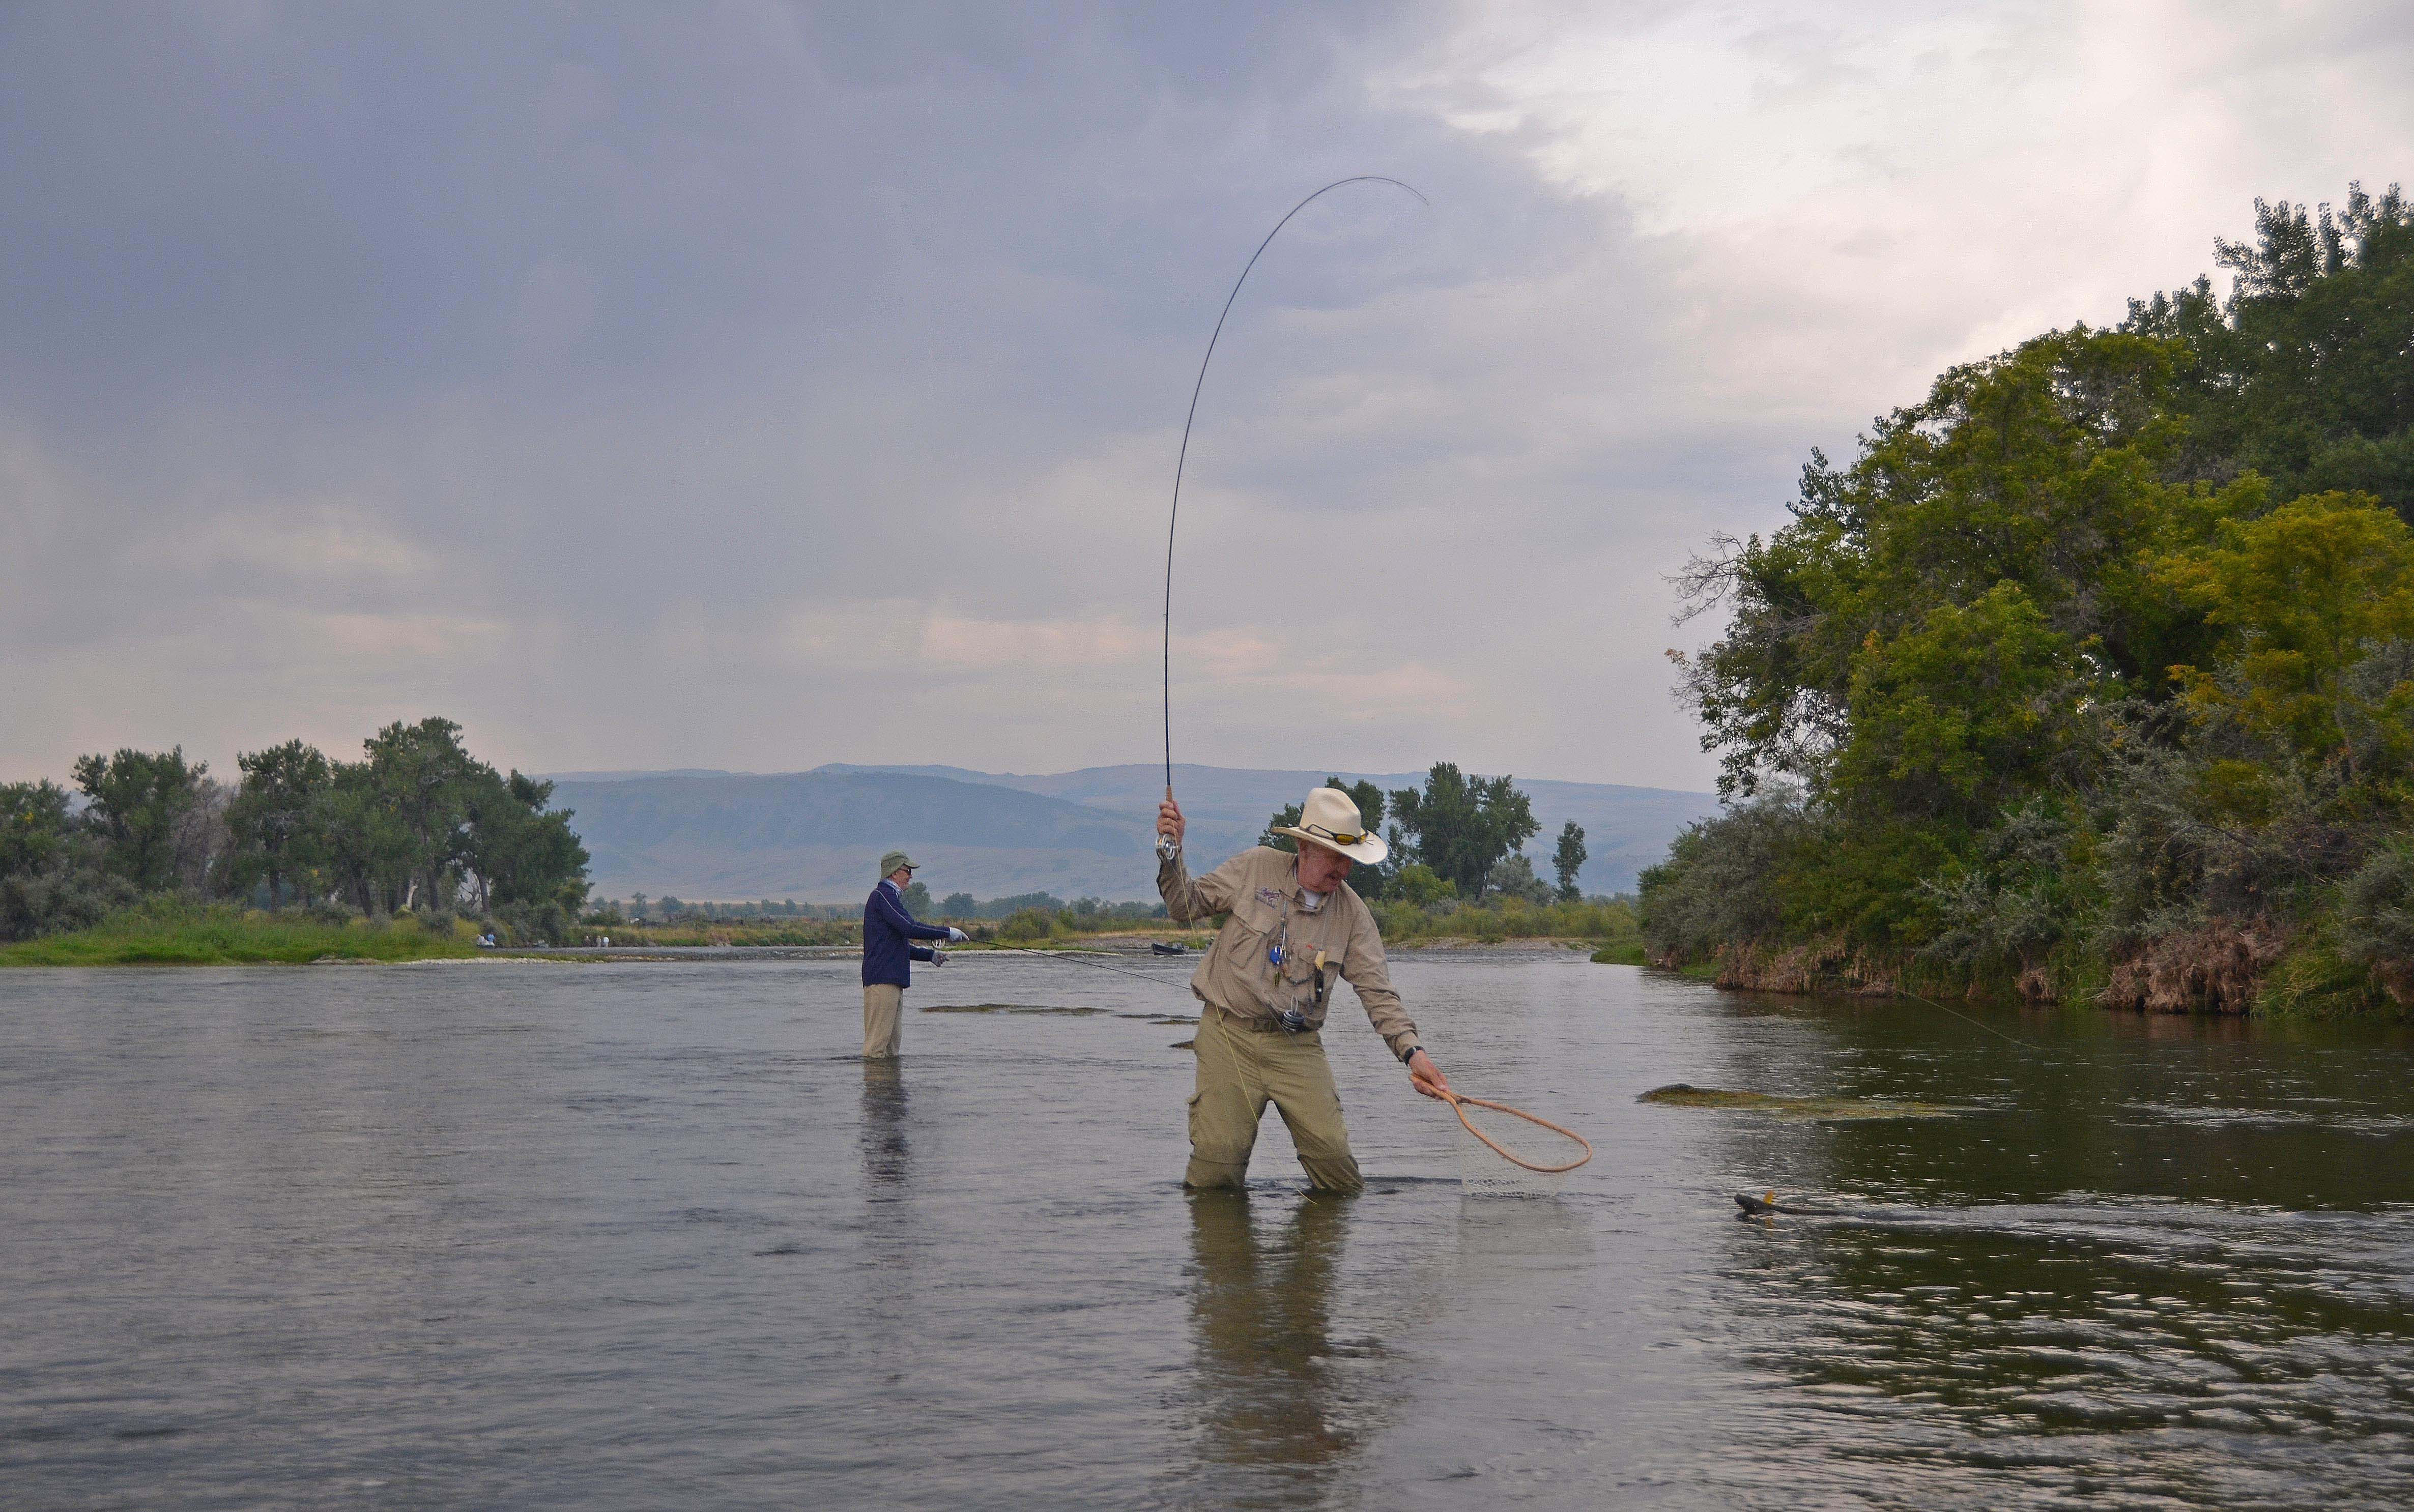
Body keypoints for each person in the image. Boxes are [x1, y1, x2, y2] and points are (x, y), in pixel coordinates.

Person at [1156, 786, 1451, 1193]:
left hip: (1298, 1047)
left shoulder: (1354, 915)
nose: (1344, 870)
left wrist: (1413, 1053)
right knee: (1217, 1169)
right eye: (1336, 857)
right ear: (1305, 847)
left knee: (1336, 1169)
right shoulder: (1255, 867)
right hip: (1229, 1037)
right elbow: (1183, 906)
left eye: (1350, 860)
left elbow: (1378, 993)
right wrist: (1171, 851)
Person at [861, 850, 965, 1058]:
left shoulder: (889, 899)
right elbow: (910, 927)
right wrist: (948, 932)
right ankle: (874, 1090)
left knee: (891, 1049)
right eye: (907, 871)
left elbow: (897, 945)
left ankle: (890, 1090)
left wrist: (930, 956)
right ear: (894, 873)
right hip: (883, 981)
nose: (911, 875)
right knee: (876, 1048)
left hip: (891, 981)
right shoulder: (883, 896)